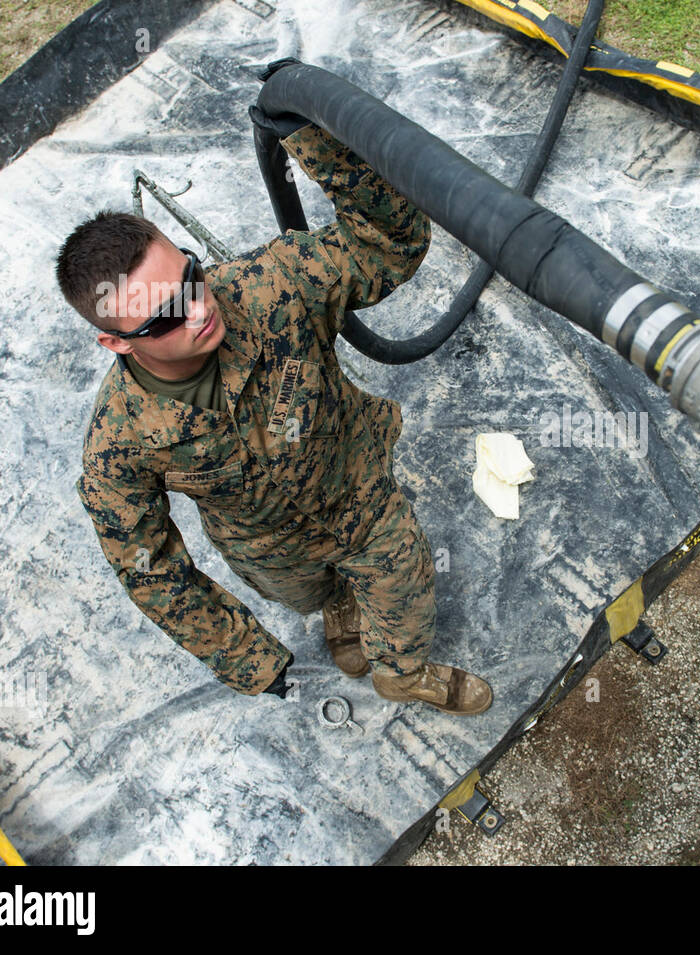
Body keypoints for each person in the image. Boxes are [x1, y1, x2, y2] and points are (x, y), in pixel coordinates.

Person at [55, 121, 492, 715]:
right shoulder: (119, 442)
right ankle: (340, 606)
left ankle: (403, 674)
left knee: (406, 594)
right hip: (273, 554)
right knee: (318, 595)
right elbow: (147, 565)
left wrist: (315, 133)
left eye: (189, 278)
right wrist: (245, 656)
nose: (197, 311)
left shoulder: (272, 287)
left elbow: (391, 245)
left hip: (361, 497)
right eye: (163, 319)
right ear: (118, 343)